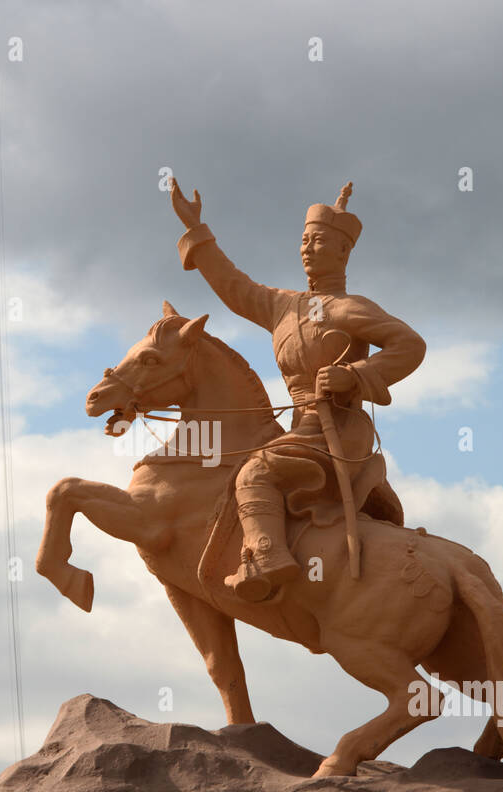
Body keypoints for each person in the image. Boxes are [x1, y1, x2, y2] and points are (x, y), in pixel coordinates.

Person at [170, 178, 426, 601]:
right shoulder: (281, 306)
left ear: (343, 251)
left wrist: (356, 375)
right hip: (299, 428)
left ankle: (266, 559)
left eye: (320, 241)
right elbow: (232, 285)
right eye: (304, 240)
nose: (308, 248)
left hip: (337, 430)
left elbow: (410, 345)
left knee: (255, 471)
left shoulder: (351, 308)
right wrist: (196, 229)